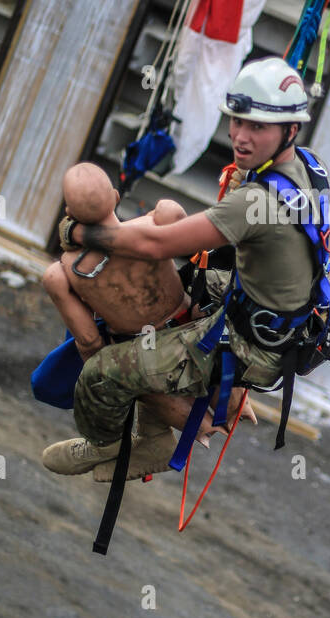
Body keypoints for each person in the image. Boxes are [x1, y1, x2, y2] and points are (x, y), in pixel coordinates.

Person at [42, 57, 329, 476]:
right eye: (237, 121)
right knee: (172, 293)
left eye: (257, 127)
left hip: (252, 341)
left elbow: (156, 245)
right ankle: (161, 417)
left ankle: (110, 443)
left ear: (290, 129)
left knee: (104, 372)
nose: (241, 137)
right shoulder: (308, 166)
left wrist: (78, 234)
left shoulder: (255, 203)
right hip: (283, 316)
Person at [41, 163, 252, 480]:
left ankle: (108, 443)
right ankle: (192, 426)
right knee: (156, 363)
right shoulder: (160, 219)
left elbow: (89, 342)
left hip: (143, 350)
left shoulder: (61, 275)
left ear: (68, 211)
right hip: (187, 327)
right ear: (115, 197)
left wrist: (108, 383)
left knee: (122, 368)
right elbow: (196, 242)